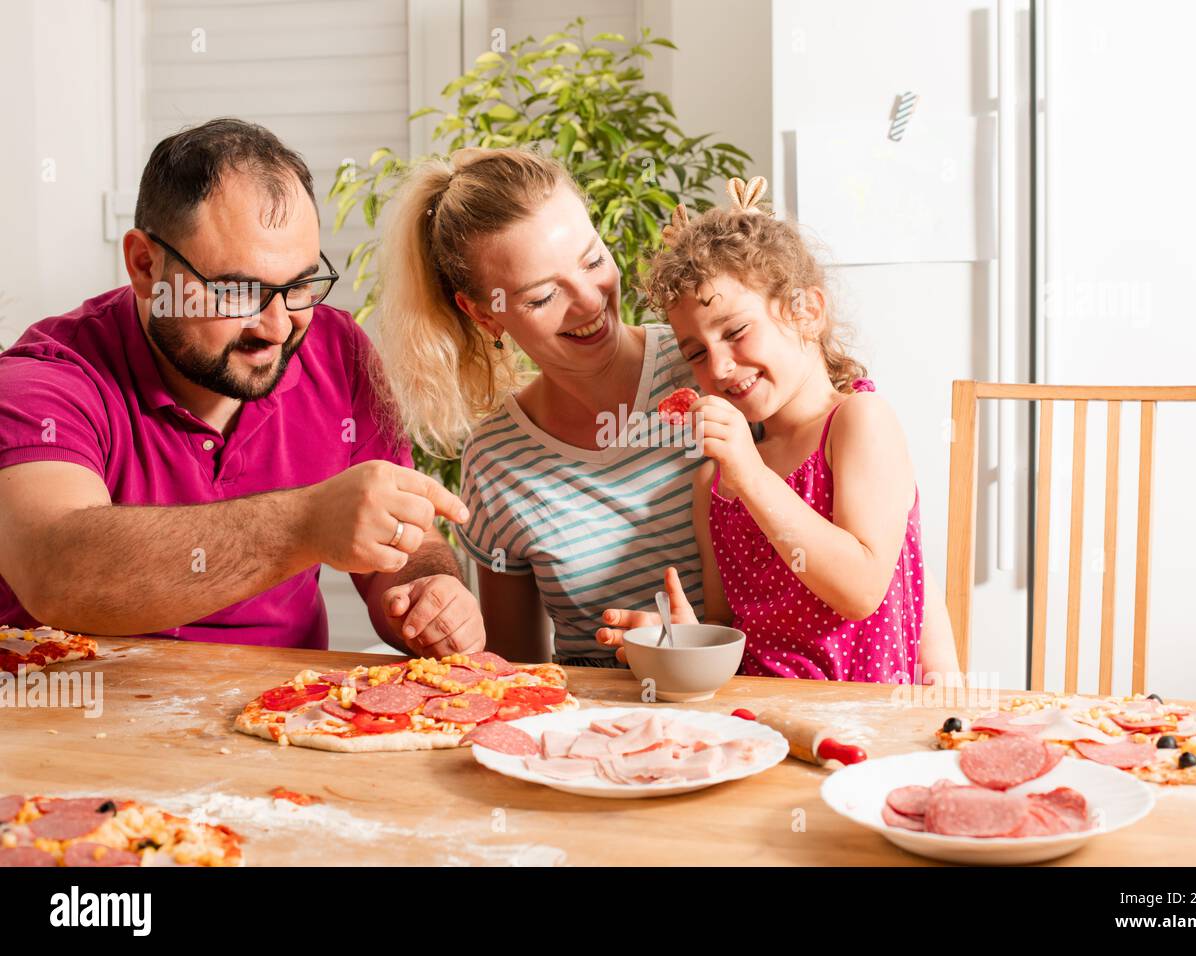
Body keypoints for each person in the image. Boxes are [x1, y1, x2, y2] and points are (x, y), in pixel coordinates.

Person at [0, 118, 484, 657]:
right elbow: (57, 571)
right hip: (79, 725)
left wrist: (427, 592)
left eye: (300, 285)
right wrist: (306, 523)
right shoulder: (43, 380)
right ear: (144, 264)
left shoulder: (336, 348)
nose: (276, 328)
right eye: (236, 291)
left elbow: (398, 535)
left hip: (284, 718)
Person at [599, 177, 960, 683]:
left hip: (858, 722)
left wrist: (752, 475)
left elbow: (860, 590)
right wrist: (686, 639)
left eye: (736, 331)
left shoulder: (858, 422)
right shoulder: (713, 485)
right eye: (697, 353)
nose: (720, 367)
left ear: (806, 311)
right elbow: (729, 627)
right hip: (756, 718)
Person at [375, 147, 703, 666]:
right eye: (543, 296)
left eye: (593, 260)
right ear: (485, 316)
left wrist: (702, 646)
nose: (591, 302)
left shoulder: (709, 365)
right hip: (588, 733)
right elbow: (515, 669)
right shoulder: (497, 461)